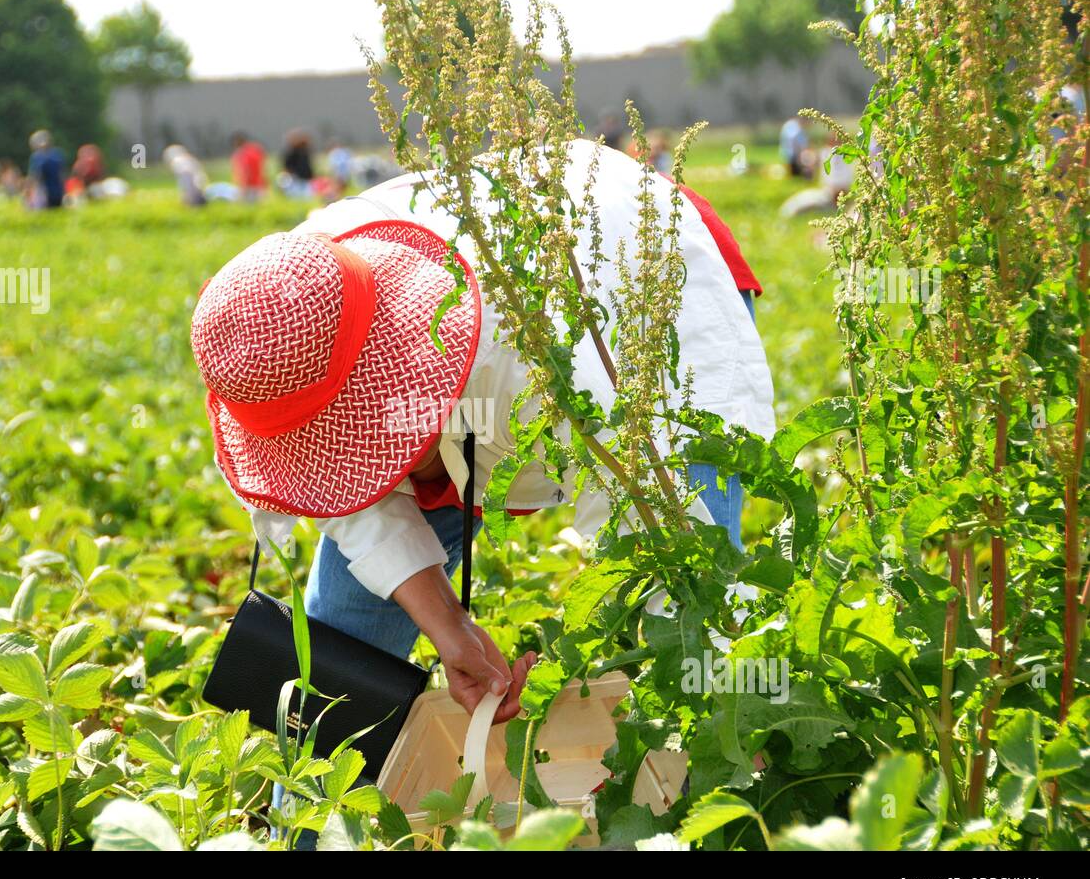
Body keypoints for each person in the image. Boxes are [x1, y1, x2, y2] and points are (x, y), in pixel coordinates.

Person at [189, 139, 772, 729]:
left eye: (359, 440)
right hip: (482, 378)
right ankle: (310, 816)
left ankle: (745, 774)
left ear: (411, 370)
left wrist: (573, 657)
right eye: (336, 454)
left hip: (651, 284)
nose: (354, 468)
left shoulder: (558, 355)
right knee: (344, 626)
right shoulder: (278, 311)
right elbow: (336, 493)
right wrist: (449, 626)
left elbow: (651, 532)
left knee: (695, 608)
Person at [27, 129, 66, 209]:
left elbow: (35, 175)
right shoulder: (55, 154)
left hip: (52, 190)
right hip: (49, 190)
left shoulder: (53, 155)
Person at [229, 133, 268, 202]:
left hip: (248, 186)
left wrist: (242, 186)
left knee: (249, 208)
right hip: (259, 184)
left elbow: (245, 170)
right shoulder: (256, 149)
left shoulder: (241, 153)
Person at [279, 129, 315, 196]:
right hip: (296, 180)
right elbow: (287, 168)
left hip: (306, 180)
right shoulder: (291, 153)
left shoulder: (305, 152)